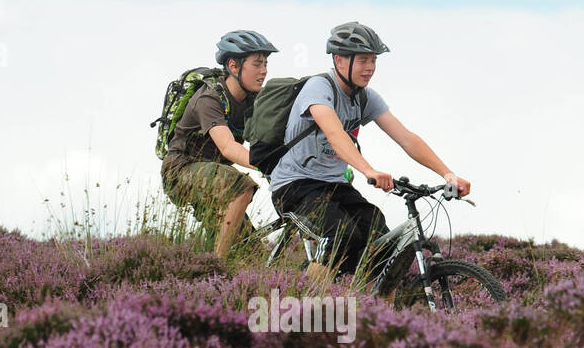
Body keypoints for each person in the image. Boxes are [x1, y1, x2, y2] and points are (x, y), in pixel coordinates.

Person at [269, 21, 472, 282]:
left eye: (374, 61)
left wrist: (447, 174)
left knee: (381, 242)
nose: (370, 68)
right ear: (339, 60)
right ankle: (302, 303)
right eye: (364, 60)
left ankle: (375, 312)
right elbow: (335, 133)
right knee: (339, 237)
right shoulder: (319, 88)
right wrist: (368, 170)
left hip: (335, 185)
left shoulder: (365, 98)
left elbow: (407, 138)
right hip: (295, 185)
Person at [161, 30, 278, 258]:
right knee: (242, 186)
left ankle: (210, 277)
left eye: (265, 63)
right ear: (234, 66)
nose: (264, 71)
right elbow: (227, 147)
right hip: (181, 169)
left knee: (251, 256)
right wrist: (266, 165)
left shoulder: (254, 101)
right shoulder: (210, 98)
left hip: (216, 175)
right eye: (257, 64)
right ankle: (216, 263)